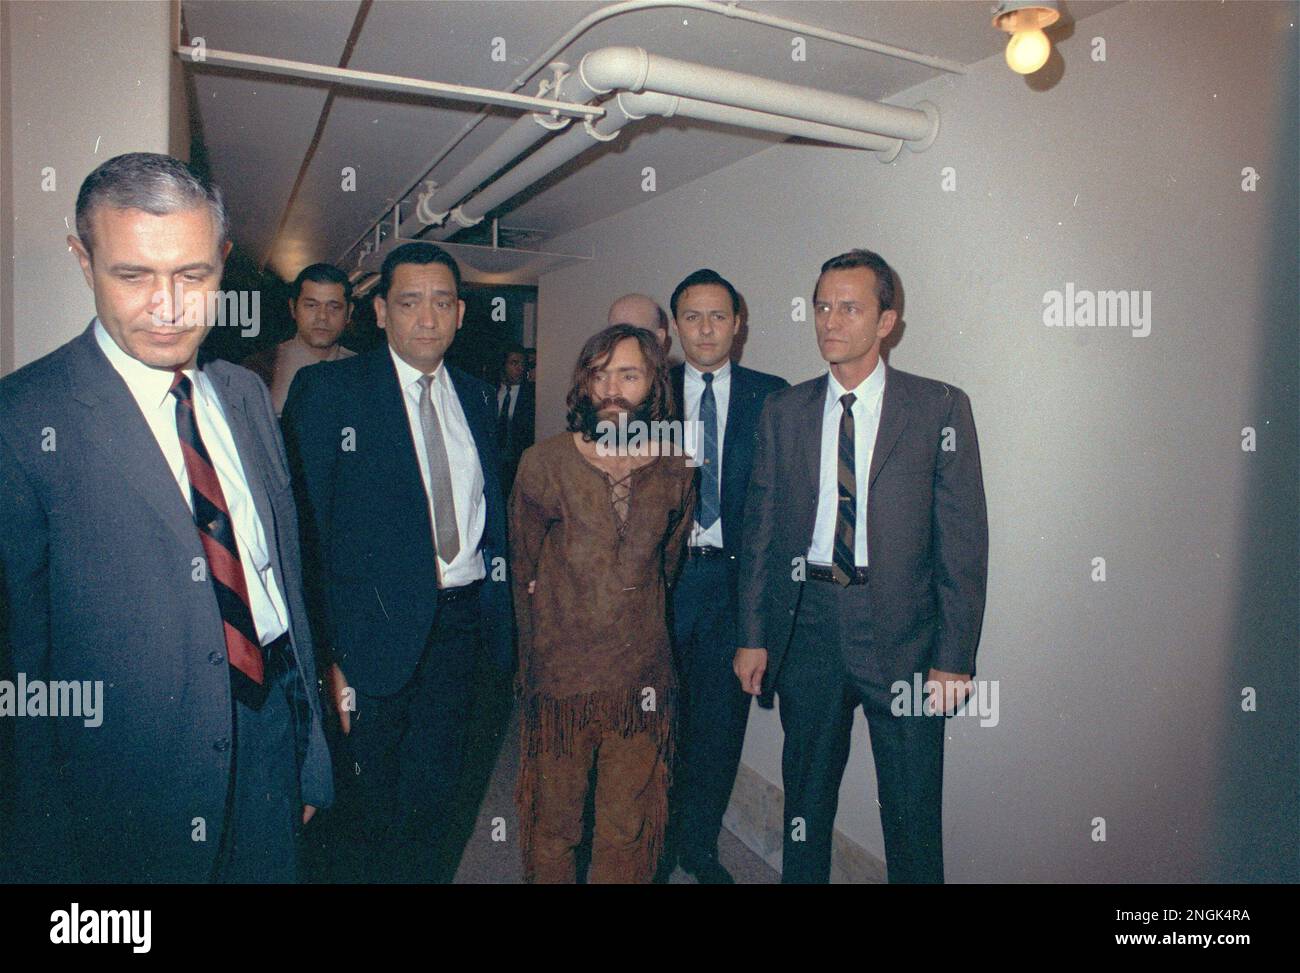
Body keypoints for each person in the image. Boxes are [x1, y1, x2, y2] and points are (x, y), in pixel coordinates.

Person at [0, 151, 332, 883]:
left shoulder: (244, 393)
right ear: (81, 260)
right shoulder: (21, 422)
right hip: (130, 779)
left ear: (221, 262)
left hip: (271, 725)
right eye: (133, 276)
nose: (169, 307)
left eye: (193, 275)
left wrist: (306, 751)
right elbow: (18, 673)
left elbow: (280, 577)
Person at [735, 249, 988, 884]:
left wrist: (954, 657)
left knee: (910, 808)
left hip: (902, 633)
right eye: (822, 306)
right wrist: (753, 635)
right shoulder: (785, 411)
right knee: (807, 797)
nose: (830, 321)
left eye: (850, 307)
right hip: (809, 625)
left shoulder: (938, 409)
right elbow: (761, 531)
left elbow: (963, 543)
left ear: (886, 322)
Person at [281, 241, 512, 883]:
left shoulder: (476, 395)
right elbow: (304, 536)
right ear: (380, 311)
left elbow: (488, 517)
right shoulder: (328, 390)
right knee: (362, 809)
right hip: (368, 637)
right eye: (410, 302)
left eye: (442, 303)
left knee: (436, 799)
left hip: (461, 632)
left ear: (461, 314)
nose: (428, 319)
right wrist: (323, 659)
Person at [510, 324, 695, 883]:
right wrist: (531, 671)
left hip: (641, 678)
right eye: (600, 373)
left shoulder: (679, 465)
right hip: (563, 682)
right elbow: (522, 570)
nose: (612, 387)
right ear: (584, 384)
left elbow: (668, 563)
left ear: (654, 386)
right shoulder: (543, 462)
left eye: (629, 374)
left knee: (628, 827)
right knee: (555, 826)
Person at [664, 269, 787, 883]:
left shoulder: (774, 395)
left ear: (739, 324)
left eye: (718, 316)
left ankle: (699, 845)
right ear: (675, 325)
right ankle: (650, 848)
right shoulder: (648, 391)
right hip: (663, 582)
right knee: (655, 718)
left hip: (735, 587)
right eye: (693, 316)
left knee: (718, 725)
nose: (706, 329)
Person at [242, 263, 355, 415]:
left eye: (334, 307)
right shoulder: (260, 369)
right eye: (311, 305)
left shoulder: (363, 371)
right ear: (293, 308)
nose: (322, 317)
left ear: (349, 312)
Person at [495, 342, 535, 497]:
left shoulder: (531, 395)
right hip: (495, 464)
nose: (519, 368)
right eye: (514, 363)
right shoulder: (491, 392)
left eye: (522, 364)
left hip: (519, 465)